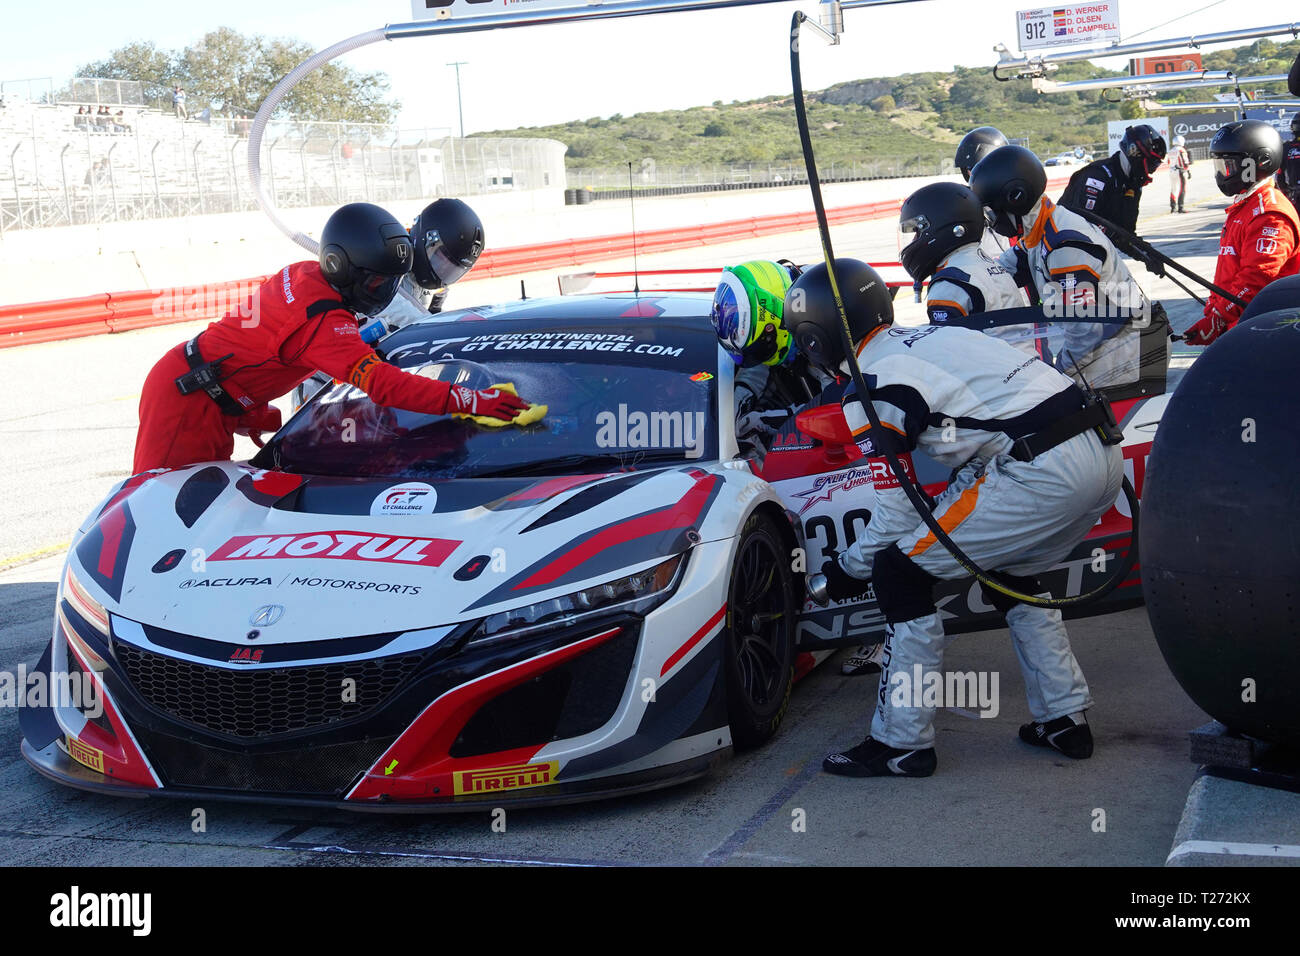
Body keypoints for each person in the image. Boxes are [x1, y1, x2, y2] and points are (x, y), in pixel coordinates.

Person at [792, 259, 1123, 777]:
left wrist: (841, 572)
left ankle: (902, 744)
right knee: (1010, 574)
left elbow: (899, 510)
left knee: (898, 574)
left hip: (1039, 469)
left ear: (818, 338)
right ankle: (1063, 718)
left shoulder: (870, 385)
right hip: (1102, 453)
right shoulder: (929, 337)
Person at [133, 202, 529, 473]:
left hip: (212, 396)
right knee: (166, 507)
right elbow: (384, 385)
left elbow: (257, 344)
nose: (384, 291)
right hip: (190, 401)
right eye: (377, 281)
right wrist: (468, 398)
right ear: (344, 266)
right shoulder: (321, 320)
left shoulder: (305, 273)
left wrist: (248, 407)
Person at [971, 144, 1155, 395]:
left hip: (1124, 361)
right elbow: (999, 274)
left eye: (991, 212)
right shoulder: (1039, 232)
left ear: (1015, 198)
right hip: (1111, 351)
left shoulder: (1064, 246)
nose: (992, 222)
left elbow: (1086, 331)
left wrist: (1058, 378)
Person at [1183, 120, 1299, 347]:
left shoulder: (1270, 215)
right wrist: (1214, 314)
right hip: (1241, 325)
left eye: (1229, 166)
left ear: (1258, 162)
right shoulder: (1245, 207)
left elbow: (1257, 279)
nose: (1222, 174)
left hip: (1266, 331)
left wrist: (1217, 319)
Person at [898, 180, 1041, 360]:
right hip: (1027, 366)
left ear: (943, 226)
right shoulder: (988, 263)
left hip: (996, 380)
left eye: (918, 231)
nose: (915, 241)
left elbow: (948, 358)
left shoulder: (951, 283)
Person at [1058, 124, 1166, 235]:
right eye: (1152, 164)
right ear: (1134, 152)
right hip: (1066, 241)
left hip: (1098, 243)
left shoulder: (1133, 184)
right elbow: (1083, 225)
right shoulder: (1097, 176)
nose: (1152, 171)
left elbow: (1127, 232)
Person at [1275, 113, 1300, 210]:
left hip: (1294, 194)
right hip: (1295, 195)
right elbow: (1279, 172)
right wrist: (1285, 191)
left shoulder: (1286, 148)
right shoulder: (1286, 147)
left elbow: (1279, 173)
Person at [1168, 133, 1192, 213]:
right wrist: (1188, 171)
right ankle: (1181, 207)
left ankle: (1173, 207)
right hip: (1180, 171)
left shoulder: (1171, 150)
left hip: (1171, 171)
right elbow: (1185, 162)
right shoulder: (1181, 150)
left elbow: (1168, 162)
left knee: (1173, 189)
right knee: (1182, 189)